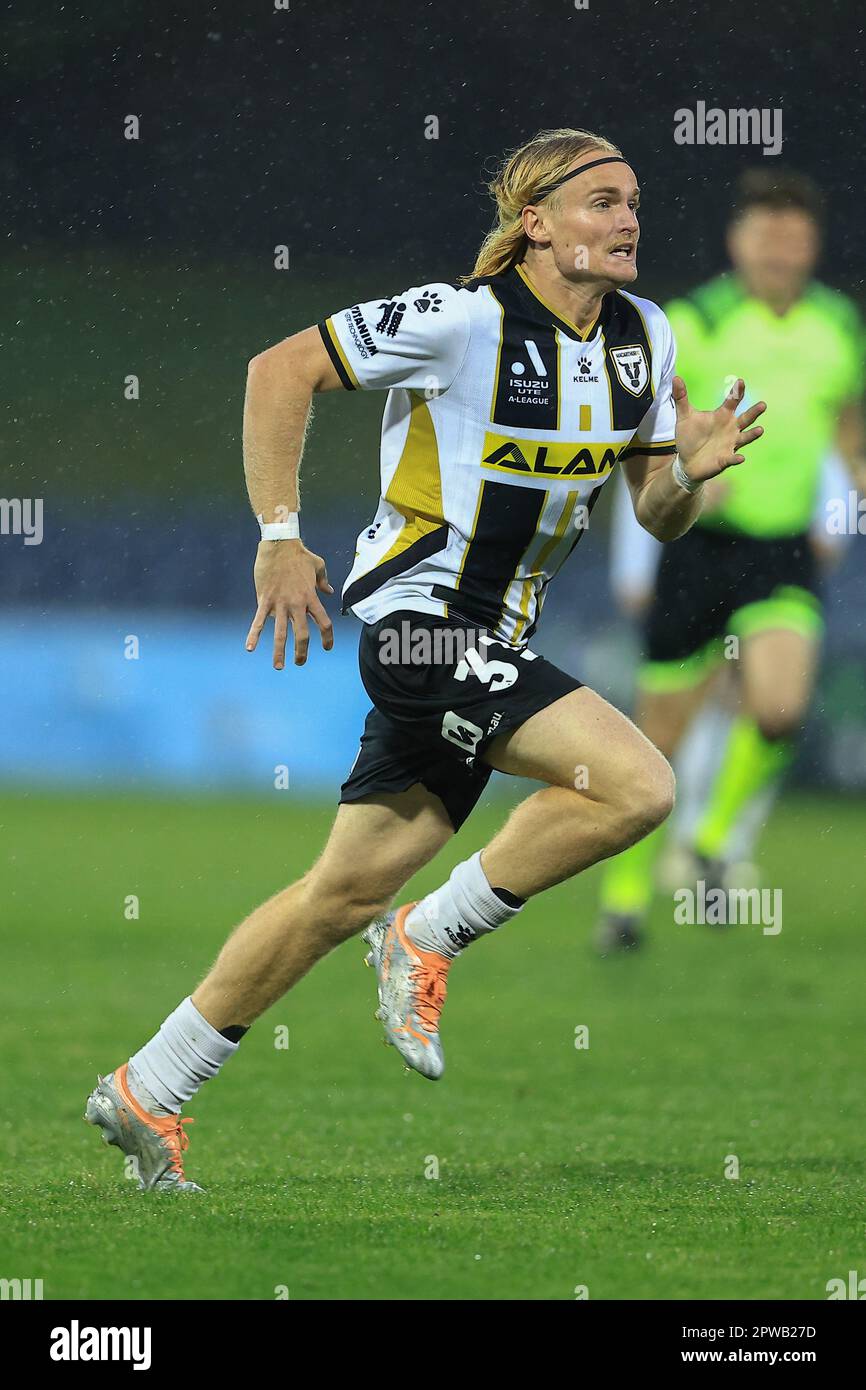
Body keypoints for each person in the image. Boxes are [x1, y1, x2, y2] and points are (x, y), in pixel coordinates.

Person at [84, 128, 765, 1191]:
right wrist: (278, 532)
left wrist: (688, 470)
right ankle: (431, 931)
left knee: (337, 893)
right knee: (635, 785)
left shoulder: (643, 339)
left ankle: (149, 1088)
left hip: (496, 641)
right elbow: (281, 370)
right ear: (533, 222)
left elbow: (657, 516)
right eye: (597, 201)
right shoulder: (457, 317)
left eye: (632, 199)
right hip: (420, 626)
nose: (626, 218)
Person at [596, 169, 865, 953]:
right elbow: (636, 440)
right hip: (695, 547)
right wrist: (642, 551)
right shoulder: (692, 319)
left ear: (812, 246)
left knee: (779, 708)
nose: (781, 251)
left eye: (796, 238)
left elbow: (847, 425)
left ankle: (714, 844)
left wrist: (841, 503)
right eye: (767, 235)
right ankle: (623, 899)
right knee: (657, 745)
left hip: (781, 552)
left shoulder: (838, 324)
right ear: (737, 242)